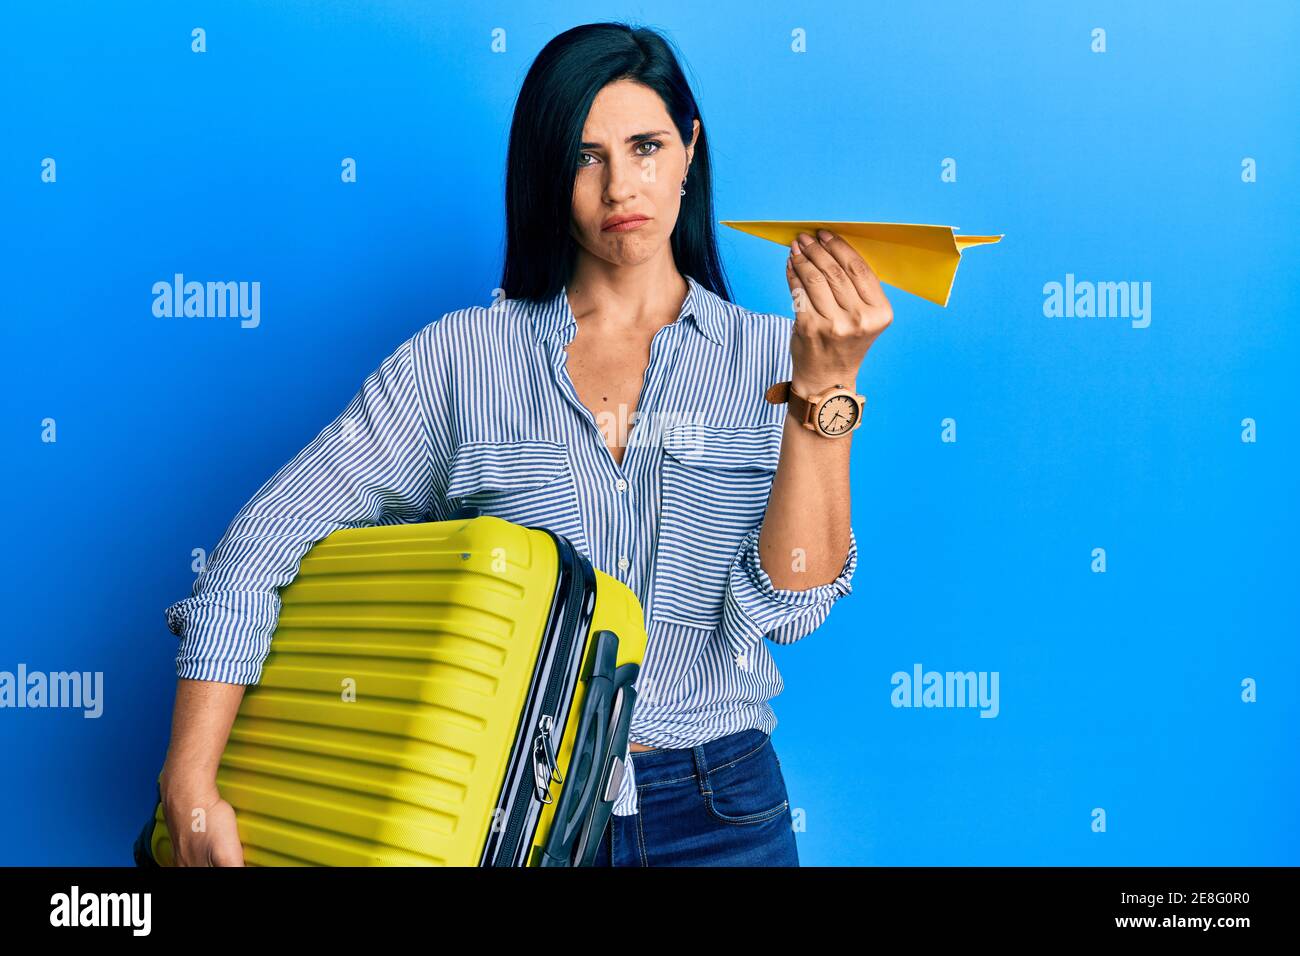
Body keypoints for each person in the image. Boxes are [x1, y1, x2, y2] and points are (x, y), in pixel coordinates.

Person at [159, 21, 891, 867]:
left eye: (647, 145)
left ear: (689, 150)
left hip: (719, 808)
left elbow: (792, 604)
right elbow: (258, 548)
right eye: (586, 157)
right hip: (511, 816)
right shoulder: (461, 359)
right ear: (547, 173)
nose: (622, 184)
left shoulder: (777, 355)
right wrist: (190, 784)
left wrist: (823, 390)